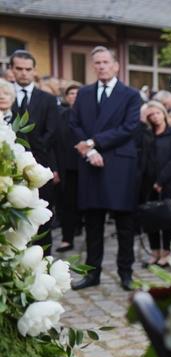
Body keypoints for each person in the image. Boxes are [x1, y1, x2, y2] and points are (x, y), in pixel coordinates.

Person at [69, 46, 142, 291]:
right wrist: (89, 152)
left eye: (105, 62)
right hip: (91, 162)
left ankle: (126, 273)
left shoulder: (130, 94)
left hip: (119, 164)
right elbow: (74, 123)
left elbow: (129, 127)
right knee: (93, 223)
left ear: (116, 65)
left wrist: (94, 142)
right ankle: (92, 273)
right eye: (97, 62)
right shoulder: (85, 93)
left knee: (124, 225)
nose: (101, 66)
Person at [8, 50, 60, 244]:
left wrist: (33, 159)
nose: (23, 73)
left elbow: (52, 132)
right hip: (8, 167)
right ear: (11, 69)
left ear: (34, 71)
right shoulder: (4, 94)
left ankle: (42, 261)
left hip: (40, 166)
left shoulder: (46, 99)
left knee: (41, 215)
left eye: (28, 69)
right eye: (19, 69)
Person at [138, 101, 171, 266]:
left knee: (167, 219)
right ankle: (155, 251)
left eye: (157, 113)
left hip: (168, 183)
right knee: (151, 218)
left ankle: (167, 253)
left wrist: (161, 180)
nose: (155, 117)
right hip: (148, 183)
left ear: (163, 113)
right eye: (151, 115)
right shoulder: (148, 134)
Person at [54, 83, 81, 252]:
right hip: (67, 166)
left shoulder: (92, 115)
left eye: (78, 93)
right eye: (71, 93)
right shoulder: (61, 115)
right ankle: (67, 237)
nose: (74, 96)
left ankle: (80, 227)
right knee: (66, 204)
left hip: (88, 165)